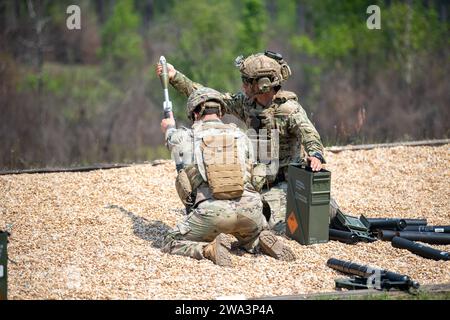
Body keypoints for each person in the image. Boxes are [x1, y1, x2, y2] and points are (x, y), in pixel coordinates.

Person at [156, 51, 339, 233]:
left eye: (246, 80)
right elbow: (207, 98)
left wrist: (316, 155)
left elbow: (309, 134)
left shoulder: (289, 110)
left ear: (263, 85)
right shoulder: (247, 103)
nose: (243, 85)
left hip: (284, 183)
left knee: (280, 227)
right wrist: (174, 77)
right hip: (258, 182)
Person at [160, 87, 296, 266]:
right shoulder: (241, 135)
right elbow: (257, 176)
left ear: (195, 113)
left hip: (214, 213)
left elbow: (170, 136)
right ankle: (257, 240)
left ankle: (208, 250)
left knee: (170, 241)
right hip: (251, 210)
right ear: (221, 111)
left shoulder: (186, 136)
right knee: (246, 231)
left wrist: (169, 126)